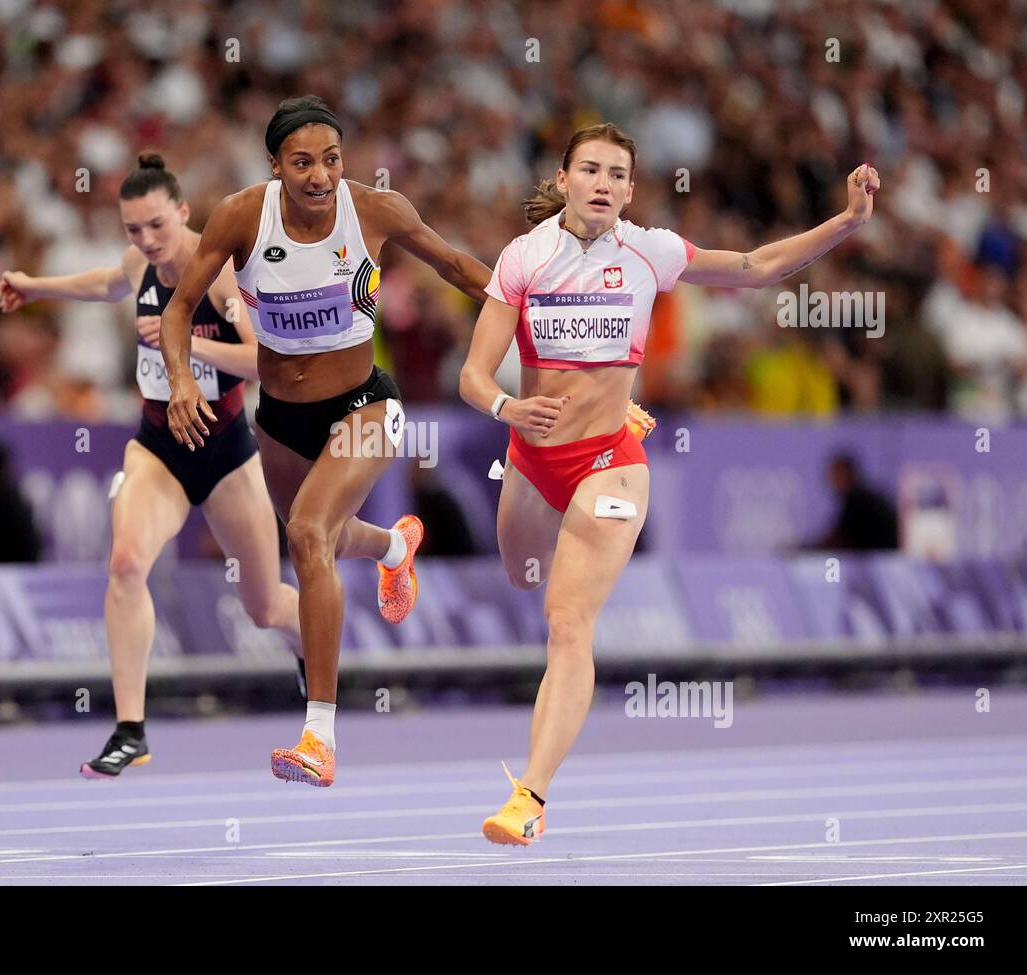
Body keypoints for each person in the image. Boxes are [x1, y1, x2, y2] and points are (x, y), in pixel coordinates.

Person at [460, 122, 879, 844]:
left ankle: (529, 796)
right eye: (589, 170)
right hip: (531, 455)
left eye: (617, 174)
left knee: (567, 624)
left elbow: (754, 266)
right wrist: (508, 406)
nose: (603, 184)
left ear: (630, 188)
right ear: (562, 179)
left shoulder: (649, 250)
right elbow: (471, 375)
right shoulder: (524, 258)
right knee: (521, 576)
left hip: (609, 464)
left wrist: (844, 221)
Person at [158, 96, 493, 787]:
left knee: (308, 533)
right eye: (303, 162)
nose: (319, 175)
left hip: (366, 403)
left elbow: (460, 268)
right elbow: (178, 307)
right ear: (276, 165)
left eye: (332, 160)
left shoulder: (376, 210)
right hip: (280, 415)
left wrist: (534, 315)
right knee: (327, 539)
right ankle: (396, 545)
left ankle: (319, 736)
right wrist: (182, 380)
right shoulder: (241, 216)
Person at [0, 154, 303, 779]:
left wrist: (179, 337)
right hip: (158, 446)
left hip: (225, 453)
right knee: (126, 563)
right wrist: (36, 286)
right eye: (133, 229)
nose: (146, 240)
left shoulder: (218, 274)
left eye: (157, 226)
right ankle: (130, 729)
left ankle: (319, 655)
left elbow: (262, 361)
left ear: (184, 213)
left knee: (266, 606)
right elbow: (107, 282)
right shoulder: (138, 261)